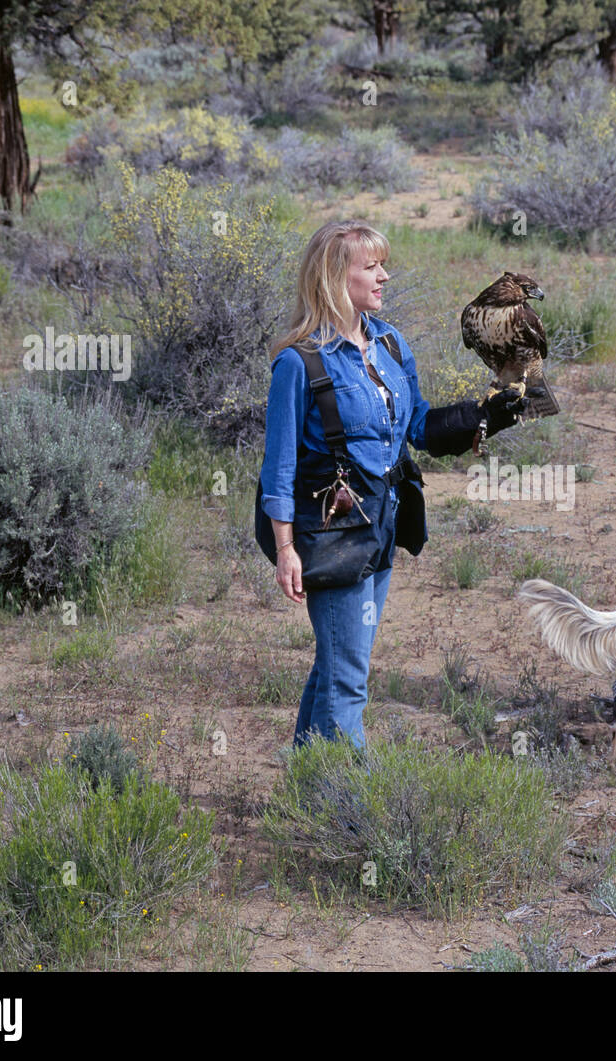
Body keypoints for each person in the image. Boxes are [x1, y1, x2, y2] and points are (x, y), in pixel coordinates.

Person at [260, 219, 523, 749]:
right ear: (337, 277)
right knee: (348, 680)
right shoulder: (299, 362)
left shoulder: (391, 344)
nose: (384, 275)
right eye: (371, 266)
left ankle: (307, 776)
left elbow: (420, 426)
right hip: (331, 535)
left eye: (383, 264)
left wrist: (486, 414)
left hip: (380, 526)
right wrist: (286, 549)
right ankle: (349, 806)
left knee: (336, 661)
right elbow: (279, 469)